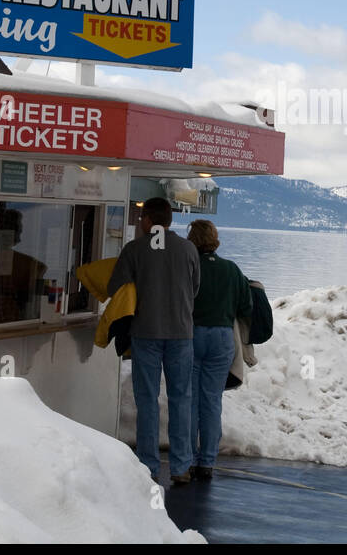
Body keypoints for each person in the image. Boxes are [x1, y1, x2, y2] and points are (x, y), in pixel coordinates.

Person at [107, 197, 201, 485]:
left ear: (147, 220)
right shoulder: (188, 249)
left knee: (147, 399)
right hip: (181, 333)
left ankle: (148, 464)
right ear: (170, 219)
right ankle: (181, 465)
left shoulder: (134, 249)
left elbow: (116, 289)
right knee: (181, 398)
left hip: (145, 333)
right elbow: (195, 288)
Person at [185, 220, 252, 481]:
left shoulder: (188, 268)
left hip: (190, 335)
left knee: (188, 400)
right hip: (222, 337)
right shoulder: (232, 270)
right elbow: (246, 306)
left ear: (192, 239)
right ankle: (207, 462)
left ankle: (187, 459)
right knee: (212, 401)